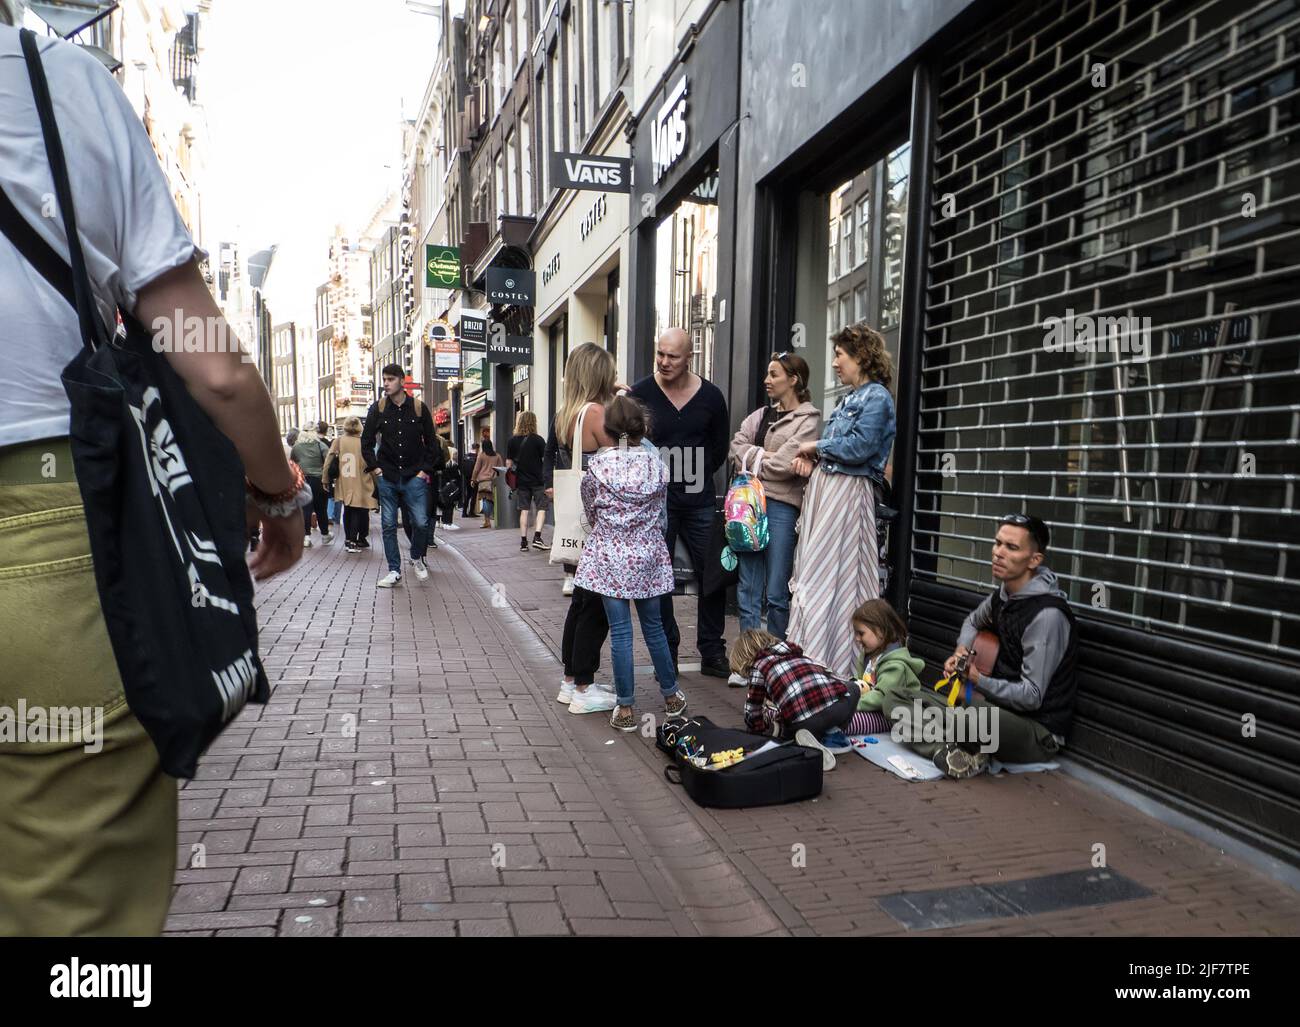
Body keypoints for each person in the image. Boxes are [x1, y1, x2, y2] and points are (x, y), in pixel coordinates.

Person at [0, 9, 302, 935]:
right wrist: (278, 493)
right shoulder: (62, 87)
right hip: (55, 541)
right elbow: (209, 358)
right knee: (77, 927)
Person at [880, 515, 1078, 779]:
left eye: (1011, 547)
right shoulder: (1004, 595)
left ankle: (956, 743)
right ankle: (949, 753)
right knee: (896, 697)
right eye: (997, 543)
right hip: (992, 711)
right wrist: (961, 651)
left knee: (969, 716)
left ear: (1034, 560)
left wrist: (978, 680)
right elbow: (973, 621)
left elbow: (1031, 696)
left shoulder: (1046, 616)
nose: (998, 553)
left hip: (1036, 731)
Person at [786, 322, 897, 679]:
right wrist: (813, 459)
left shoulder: (877, 397)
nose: (835, 363)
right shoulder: (853, 398)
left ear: (860, 356)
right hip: (831, 494)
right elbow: (844, 450)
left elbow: (860, 447)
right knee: (821, 578)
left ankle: (827, 666)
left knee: (832, 580)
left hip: (846, 497)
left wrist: (816, 447)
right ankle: (816, 664)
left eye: (840, 355)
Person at [574, 396, 687, 731]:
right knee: (654, 629)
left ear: (608, 430)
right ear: (644, 428)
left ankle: (625, 707)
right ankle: (671, 695)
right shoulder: (658, 467)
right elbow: (662, 516)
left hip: (609, 555)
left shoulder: (597, 468)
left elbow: (591, 510)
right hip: (648, 554)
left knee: (621, 633)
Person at [630, 328, 731, 678]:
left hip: (700, 502)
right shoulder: (641, 393)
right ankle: (667, 653)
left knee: (713, 575)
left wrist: (695, 475)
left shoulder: (712, 397)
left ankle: (712, 650)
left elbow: (719, 449)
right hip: (656, 505)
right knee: (659, 580)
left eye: (672, 356)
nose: (664, 362)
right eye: (660, 353)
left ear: (690, 357)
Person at [727, 351, 823, 670]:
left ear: (793, 380)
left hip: (782, 508)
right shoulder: (760, 415)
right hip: (750, 507)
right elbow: (735, 447)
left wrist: (755, 459)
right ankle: (748, 662)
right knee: (748, 586)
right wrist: (766, 455)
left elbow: (785, 465)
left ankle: (777, 662)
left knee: (778, 591)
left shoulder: (809, 418)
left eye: (774, 374)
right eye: (767, 374)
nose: (767, 380)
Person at [544, 342, 618, 710]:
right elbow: (627, 446)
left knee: (580, 601)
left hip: (577, 521)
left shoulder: (567, 414)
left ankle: (571, 679)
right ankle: (586, 689)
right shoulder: (596, 414)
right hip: (598, 524)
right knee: (596, 607)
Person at [730, 629, 860, 772]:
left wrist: (755, 732)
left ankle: (802, 744)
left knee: (789, 726)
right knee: (853, 688)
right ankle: (832, 732)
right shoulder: (796, 654)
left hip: (805, 722)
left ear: (744, 657)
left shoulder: (759, 667)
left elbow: (753, 709)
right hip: (838, 709)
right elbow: (822, 682)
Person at [360, 365, 443, 588]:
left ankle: (416, 556)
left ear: (401, 381)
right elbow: (366, 443)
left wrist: (423, 471)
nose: (385, 383)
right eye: (384, 379)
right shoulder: (377, 409)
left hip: (413, 476)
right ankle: (394, 570)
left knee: (421, 523)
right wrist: (376, 469)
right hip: (387, 476)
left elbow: (432, 444)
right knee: (388, 525)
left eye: (390, 379)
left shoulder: (418, 407)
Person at [846, 598, 923, 737]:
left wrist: (851, 705)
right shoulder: (869, 656)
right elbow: (862, 685)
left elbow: (882, 696)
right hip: (875, 709)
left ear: (881, 631)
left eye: (861, 633)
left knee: (847, 721)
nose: (857, 638)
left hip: (895, 717)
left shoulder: (896, 665)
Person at [322, 416, 377, 552]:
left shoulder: (339, 441)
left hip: (345, 480)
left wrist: (325, 479)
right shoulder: (363, 442)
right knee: (361, 509)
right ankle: (358, 539)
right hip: (362, 480)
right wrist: (377, 483)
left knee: (348, 509)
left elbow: (328, 461)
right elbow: (372, 462)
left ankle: (349, 538)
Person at [506, 410, 549, 552]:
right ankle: (537, 537)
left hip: (522, 482)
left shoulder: (512, 441)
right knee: (541, 508)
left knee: (524, 510)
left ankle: (523, 542)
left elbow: (508, 464)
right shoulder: (538, 440)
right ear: (533, 422)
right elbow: (545, 459)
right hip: (537, 480)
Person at [291, 420, 333, 548]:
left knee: (305, 509)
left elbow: (292, 462)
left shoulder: (296, 447)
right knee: (321, 508)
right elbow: (328, 461)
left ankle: (306, 537)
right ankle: (325, 535)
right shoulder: (320, 445)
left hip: (302, 480)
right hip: (318, 480)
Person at [470, 430, 504, 528]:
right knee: (493, 500)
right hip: (494, 481)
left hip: (483, 481)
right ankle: (495, 518)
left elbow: (476, 469)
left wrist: (473, 479)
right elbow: (501, 469)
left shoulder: (481, 455)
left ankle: (487, 521)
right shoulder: (497, 456)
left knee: (485, 500)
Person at [437, 442, 460, 530]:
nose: (456, 455)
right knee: (447, 504)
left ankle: (445, 522)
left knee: (447, 504)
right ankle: (447, 522)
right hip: (447, 487)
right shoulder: (448, 465)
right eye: (455, 454)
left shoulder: (452, 464)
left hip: (448, 487)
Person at [460, 443, 479, 518]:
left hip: (466, 478)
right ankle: (471, 512)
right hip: (474, 478)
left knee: (467, 495)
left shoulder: (465, 456)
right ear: (477, 448)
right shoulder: (477, 457)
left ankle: (464, 512)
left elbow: (462, 467)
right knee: (474, 495)